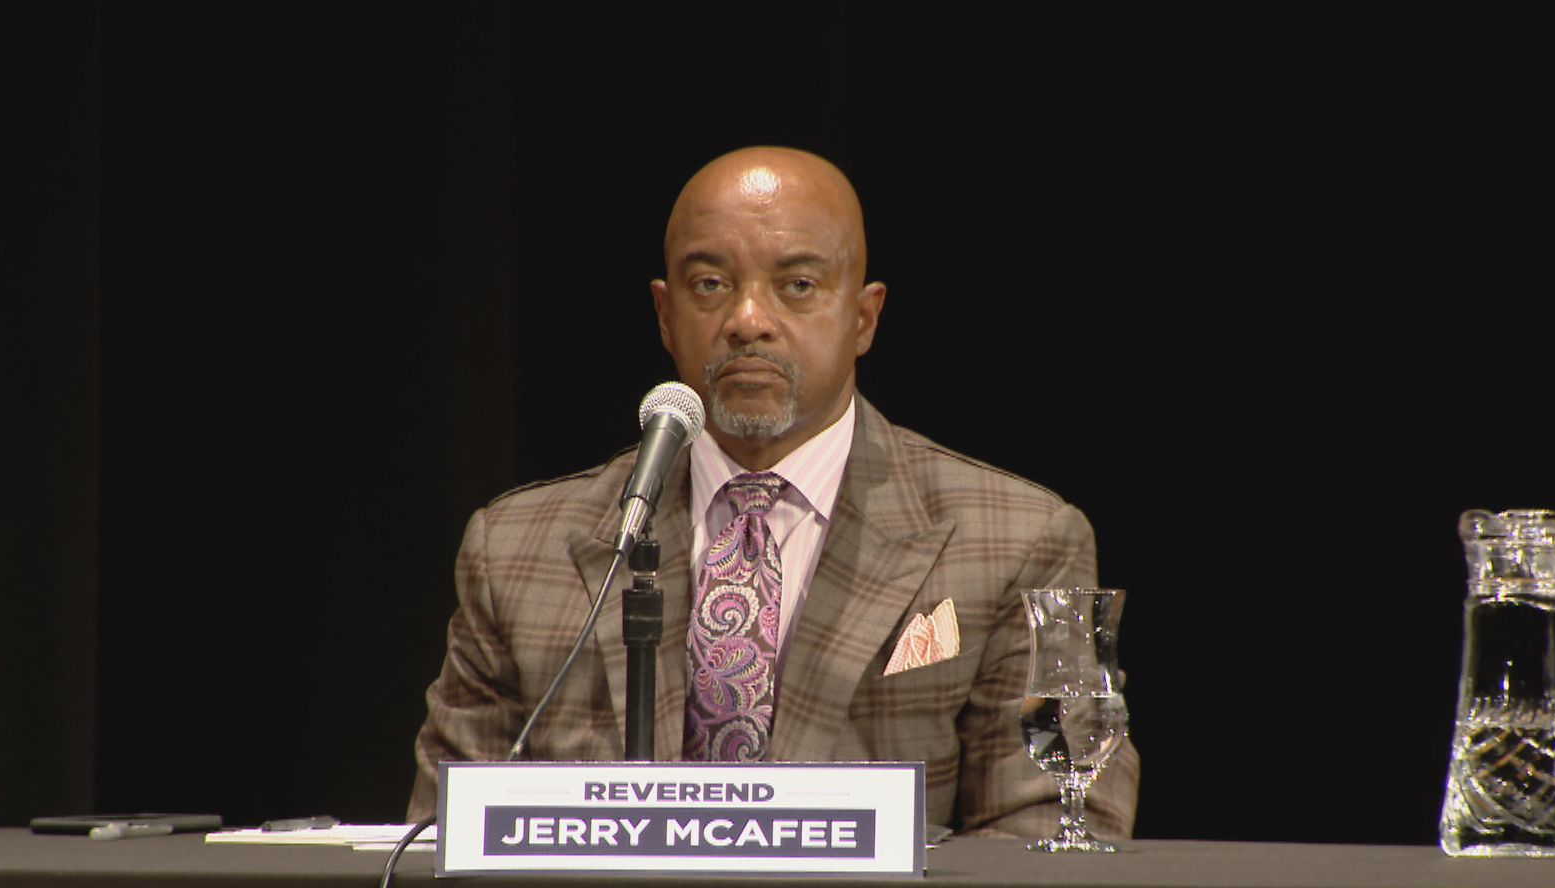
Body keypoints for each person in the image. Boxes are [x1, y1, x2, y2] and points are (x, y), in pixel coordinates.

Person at [407, 147, 1138, 838]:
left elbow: (1054, 828)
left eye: (796, 285)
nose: (747, 320)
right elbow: (441, 842)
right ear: (666, 315)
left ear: (863, 317)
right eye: (710, 285)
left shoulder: (1018, 540)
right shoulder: (514, 549)